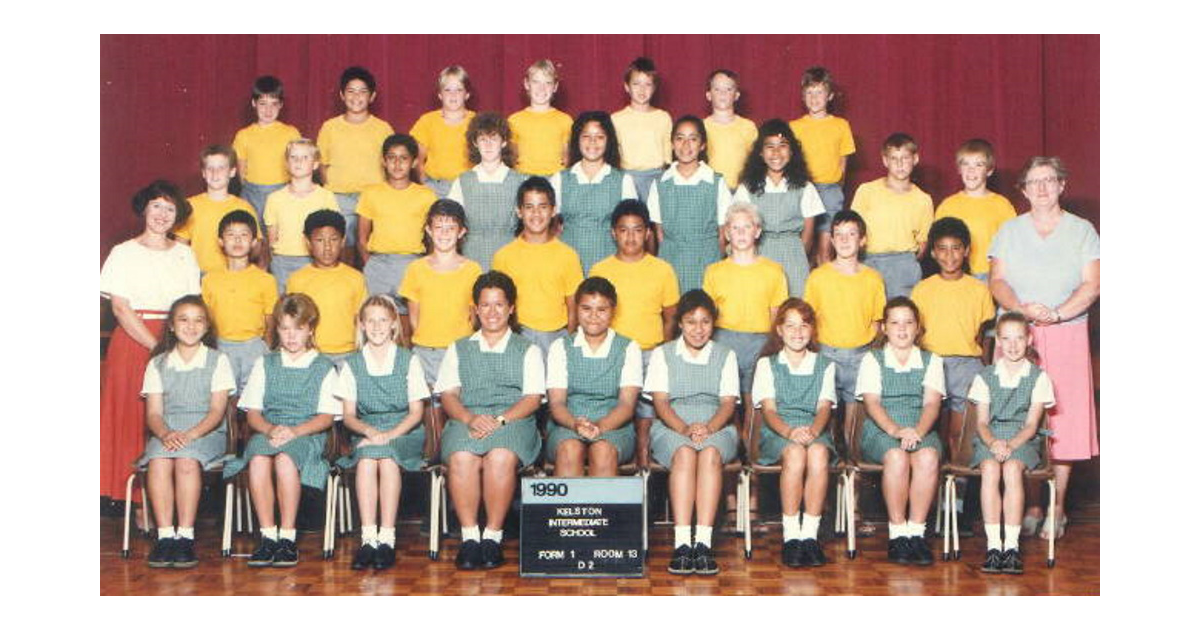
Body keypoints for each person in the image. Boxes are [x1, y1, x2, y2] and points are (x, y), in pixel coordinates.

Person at [988, 156, 1099, 541]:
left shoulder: (1083, 230)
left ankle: (1056, 506)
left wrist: (1057, 313)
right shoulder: (1008, 230)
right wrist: (1020, 311)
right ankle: (1030, 503)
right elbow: (997, 281)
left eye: (1049, 180)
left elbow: (1092, 285)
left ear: (1062, 185)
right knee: (1017, 415)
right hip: (1018, 334)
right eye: (1033, 182)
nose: (1041, 188)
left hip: (1066, 330)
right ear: (1022, 190)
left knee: (1063, 421)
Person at [435, 271, 545, 571]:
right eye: (485, 305)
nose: (492, 312)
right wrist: (470, 418)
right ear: (475, 308)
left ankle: (492, 537)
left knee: (499, 457)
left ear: (511, 308)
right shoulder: (459, 348)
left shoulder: (528, 349)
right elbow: (448, 395)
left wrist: (499, 420)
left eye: (499, 305)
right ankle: (470, 538)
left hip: (512, 421)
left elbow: (532, 398)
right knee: (461, 458)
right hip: (467, 418)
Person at [101, 180, 200, 511]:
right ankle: (137, 503)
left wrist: (174, 343)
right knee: (133, 416)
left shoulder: (185, 254)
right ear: (144, 209)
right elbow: (120, 307)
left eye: (170, 208)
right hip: (133, 339)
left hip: (177, 337)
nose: (162, 214)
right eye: (156, 206)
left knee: (167, 416)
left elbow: (190, 305)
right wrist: (155, 344)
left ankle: (164, 504)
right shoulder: (123, 253)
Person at [223, 293, 339, 568]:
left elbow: (326, 417)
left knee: (286, 461)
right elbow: (252, 413)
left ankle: (287, 537)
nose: (291, 336)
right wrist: (271, 429)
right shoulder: (266, 363)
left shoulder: (323, 366)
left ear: (310, 328)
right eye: (285, 328)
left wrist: (295, 432)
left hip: (306, 433)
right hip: (269, 430)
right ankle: (268, 536)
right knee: (259, 460)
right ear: (276, 329)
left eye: (298, 328)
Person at [644, 290, 740, 576]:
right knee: (684, 454)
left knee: (710, 454)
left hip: (716, 423)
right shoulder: (663, 354)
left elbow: (727, 403)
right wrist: (685, 428)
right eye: (691, 322)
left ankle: (704, 545)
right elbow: (661, 403)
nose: (698, 329)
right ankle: (683, 544)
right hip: (673, 423)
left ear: (713, 324)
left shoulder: (726, 355)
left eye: (705, 322)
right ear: (680, 324)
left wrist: (709, 427)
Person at [139, 295, 235, 569]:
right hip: (167, 431)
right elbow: (154, 414)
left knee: (185, 461)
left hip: (206, 432)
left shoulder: (218, 361)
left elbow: (217, 411)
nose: (190, 327)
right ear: (171, 325)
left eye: (198, 320)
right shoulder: (157, 363)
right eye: (183, 319)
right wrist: (167, 434)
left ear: (207, 327)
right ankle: (166, 535)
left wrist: (190, 435)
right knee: (158, 462)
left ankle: (185, 536)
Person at [334, 296, 430, 571]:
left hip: (404, 430)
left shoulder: (408, 360)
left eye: (383, 320)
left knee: (386, 458)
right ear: (362, 325)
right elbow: (349, 416)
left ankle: (386, 539)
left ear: (393, 326)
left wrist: (389, 435)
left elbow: (415, 412)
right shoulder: (352, 364)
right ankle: (368, 540)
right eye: (371, 320)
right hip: (368, 429)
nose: (377, 326)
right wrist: (370, 431)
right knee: (366, 459)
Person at [855, 297, 946, 565]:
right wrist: (896, 430)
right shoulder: (873, 359)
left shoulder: (932, 361)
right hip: (882, 429)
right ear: (884, 327)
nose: (902, 329)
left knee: (927, 457)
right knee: (896, 457)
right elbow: (872, 403)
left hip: (921, 427)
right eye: (895, 323)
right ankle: (897, 535)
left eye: (908, 322)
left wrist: (916, 431)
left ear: (918, 327)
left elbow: (931, 404)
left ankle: (916, 534)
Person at [751, 298, 838, 568]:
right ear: (779, 330)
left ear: (812, 330)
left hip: (814, 429)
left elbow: (824, 407)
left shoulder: (825, 365)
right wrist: (790, 432)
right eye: (790, 326)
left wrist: (813, 431)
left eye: (803, 325)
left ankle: (809, 536)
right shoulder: (768, 364)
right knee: (796, 456)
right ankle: (791, 537)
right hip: (779, 431)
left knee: (819, 454)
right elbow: (769, 411)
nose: (797, 332)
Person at [969, 312, 1055, 575]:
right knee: (991, 469)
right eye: (1006, 339)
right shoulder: (985, 376)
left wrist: (1011, 444)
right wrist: (995, 443)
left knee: (1012, 469)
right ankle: (995, 546)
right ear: (998, 341)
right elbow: (982, 422)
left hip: (1023, 439)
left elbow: (1031, 425)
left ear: (1029, 339)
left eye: (1019, 338)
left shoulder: (1039, 377)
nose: (1013, 345)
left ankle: (1012, 548)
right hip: (991, 437)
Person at [590, 199, 680, 431]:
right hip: (613, 354)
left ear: (648, 233)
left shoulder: (663, 270)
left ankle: (645, 462)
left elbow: (670, 317)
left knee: (649, 412)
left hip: (650, 352)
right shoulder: (600, 270)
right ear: (613, 233)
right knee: (614, 411)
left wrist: (663, 353)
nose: (631, 238)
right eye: (623, 230)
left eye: (638, 230)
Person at [911, 217, 993, 470]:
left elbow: (986, 335)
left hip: (966, 365)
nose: (950, 255)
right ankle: (930, 491)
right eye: (943, 249)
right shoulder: (922, 289)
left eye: (956, 248)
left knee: (960, 433)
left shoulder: (979, 290)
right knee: (926, 431)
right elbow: (915, 333)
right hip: (931, 362)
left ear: (967, 251)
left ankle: (955, 493)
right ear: (933, 253)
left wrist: (986, 370)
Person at [702, 202, 788, 430]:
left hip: (759, 342)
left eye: (747, 227)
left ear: (757, 231)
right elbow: (707, 317)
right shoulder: (714, 271)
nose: (740, 233)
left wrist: (773, 346)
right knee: (726, 398)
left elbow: (776, 314)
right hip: (723, 340)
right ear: (727, 233)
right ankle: (731, 449)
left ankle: (750, 451)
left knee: (754, 398)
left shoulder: (774, 270)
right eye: (735, 228)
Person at [545, 277, 642, 476]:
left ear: (613, 311)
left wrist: (600, 427)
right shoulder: (561, 347)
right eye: (586, 308)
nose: (593, 317)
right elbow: (557, 403)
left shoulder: (628, 348)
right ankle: (568, 509)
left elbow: (626, 405)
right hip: (568, 423)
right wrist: (575, 424)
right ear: (577, 308)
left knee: (603, 451)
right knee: (570, 450)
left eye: (602, 310)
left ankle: (602, 508)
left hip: (614, 425)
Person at [492, 176, 585, 360]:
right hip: (518, 336)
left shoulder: (568, 255)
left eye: (543, 207)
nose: (536, 214)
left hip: (556, 337)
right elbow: (499, 304)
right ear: (519, 211)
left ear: (553, 211)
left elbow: (573, 306)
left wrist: (568, 339)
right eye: (529, 207)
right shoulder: (504, 256)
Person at [802, 210, 886, 409]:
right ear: (831, 240)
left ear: (863, 240)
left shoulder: (873, 278)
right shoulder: (818, 277)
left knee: (855, 411)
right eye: (838, 234)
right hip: (826, 353)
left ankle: (851, 440)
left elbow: (877, 320)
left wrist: (867, 350)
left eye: (851, 234)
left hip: (860, 355)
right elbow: (808, 318)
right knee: (823, 408)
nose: (844, 239)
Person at [734, 119, 826, 297]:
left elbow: (808, 234)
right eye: (770, 146)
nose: (776, 152)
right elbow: (739, 228)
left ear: (791, 151)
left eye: (782, 145)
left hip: (793, 256)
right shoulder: (748, 188)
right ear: (760, 153)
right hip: (759, 254)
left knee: (793, 309)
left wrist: (797, 256)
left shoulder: (804, 187)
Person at [399, 199, 483, 392]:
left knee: (457, 406)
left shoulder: (473, 269)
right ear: (429, 230)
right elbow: (413, 317)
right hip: (425, 352)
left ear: (461, 232)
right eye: (438, 227)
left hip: (460, 351)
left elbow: (474, 315)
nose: (444, 234)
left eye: (451, 228)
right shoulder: (415, 269)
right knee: (429, 409)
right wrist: (425, 343)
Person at [356, 133, 438, 326]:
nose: (397, 164)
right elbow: (361, 237)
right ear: (384, 161)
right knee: (377, 319)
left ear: (414, 162)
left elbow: (433, 238)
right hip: (379, 265)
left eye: (404, 158)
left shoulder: (426, 195)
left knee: (411, 320)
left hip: (411, 263)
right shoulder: (371, 193)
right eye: (391, 158)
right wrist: (371, 264)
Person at [317, 66, 395, 263]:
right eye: (351, 91)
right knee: (342, 249)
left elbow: (392, 165)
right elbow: (322, 165)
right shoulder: (330, 127)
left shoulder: (383, 128)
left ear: (372, 96)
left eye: (362, 92)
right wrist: (334, 190)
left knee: (373, 248)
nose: (356, 97)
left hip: (373, 196)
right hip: (340, 198)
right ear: (342, 95)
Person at [648, 115, 733, 294]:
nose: (686, 145)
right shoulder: (661, 183)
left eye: (693, 139)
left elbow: (723, 233)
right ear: (671, 143)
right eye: (680, 138)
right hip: (671, 260)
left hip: (707, 260)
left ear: (702, 145)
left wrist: (711, 259)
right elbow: (659, 233)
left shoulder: (716, 182)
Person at [201, 210, 278, 394]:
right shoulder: (209, 280)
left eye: (244, 235)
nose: (237, 240)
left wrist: (264, 348)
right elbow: (207, 320)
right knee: (224, 398)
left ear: (253, 242)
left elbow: (270, 321)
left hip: (254, 346)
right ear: (220, 241)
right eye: (231, 235)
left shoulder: (265, 280)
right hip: (222, 346)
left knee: (255, 399)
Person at [551, 111, 638, 273]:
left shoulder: (623, 181)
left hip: (610, 263)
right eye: (586, 136)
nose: (592, 142)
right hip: (568, 265)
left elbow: (630, 229)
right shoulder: (560, 179)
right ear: (577, 140)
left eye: (599, 137)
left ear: (608, 141)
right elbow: (551, 227)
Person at [850, 132, 934, 299]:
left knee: (900, 315)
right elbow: (853, 228)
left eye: (905, 158)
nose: (900, 164)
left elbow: (924, 242)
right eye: (894, 159)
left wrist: (906, 261)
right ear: (885, 161)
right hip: (869, 260)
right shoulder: (867, 191)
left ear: (915, 159)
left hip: (903, 264)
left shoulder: (923, 199)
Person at [789, 67, 855, 265]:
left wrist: (836, 187)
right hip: (802, 188)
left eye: (819, 92)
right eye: (809, 92)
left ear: (830, 96)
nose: (814, 97)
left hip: (829, 190)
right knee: (803, 248)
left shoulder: (841, 125)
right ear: (803, 96)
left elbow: (843, 163)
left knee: (825, 251)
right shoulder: (794, 127)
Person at [285, 210, 369, 365]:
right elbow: (293, 323)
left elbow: (361, 320)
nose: (328, 247)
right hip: (311, 355)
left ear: (343, 241)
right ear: (308, 243)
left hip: (348, 355)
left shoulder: (356, 278)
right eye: (319, 240)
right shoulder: (297, 279)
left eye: (334, 239)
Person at [447, 112, 525, 270]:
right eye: (483, 139)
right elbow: (451, 223)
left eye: (494, 139)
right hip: (471, 255)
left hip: (509, 254)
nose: (488, 145)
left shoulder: (519, 181)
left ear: (503, 142)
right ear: (475, 143)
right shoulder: (462, 181)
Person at [933, 139, 1017, 281]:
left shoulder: (1002, 205)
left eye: (979, 165)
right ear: (959, 169)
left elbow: (1012, 245)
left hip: (992, 275)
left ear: (989, 170)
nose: (971, 170)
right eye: (966, 164)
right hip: (957, 276)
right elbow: (938, 246)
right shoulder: (947, 206)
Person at [263, 138, 339, 293]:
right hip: (283, 262)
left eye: (305, 157)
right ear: (286, 163)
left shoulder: (326, 197)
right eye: (293, 157)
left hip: (314, 261)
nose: (299, 162)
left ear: (315, 164)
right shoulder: (274, 198)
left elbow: (334, 234)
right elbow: (272, 239)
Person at [174, 145, 261, 274]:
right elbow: (180, 245)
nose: (215, 173)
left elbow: (256, 246)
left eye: (221, 168)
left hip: (232, 274)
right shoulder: (190, 205)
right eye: (210, 168)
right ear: (203, 172)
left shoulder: (244, 206)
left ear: (232, 172)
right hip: (198, 274)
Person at [233, 76, 302, 226]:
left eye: (274, 104)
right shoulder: (243, 135)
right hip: (252, 193)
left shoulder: (291, 133)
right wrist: (251, 191)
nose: (268, 110)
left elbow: (299, 165)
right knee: (253, 235)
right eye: (263, 104)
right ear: (254, 103)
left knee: (279, 234)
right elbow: (242, 171)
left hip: (282, 190)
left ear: (281, 105)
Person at [612, 57, 673, 201]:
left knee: (655, 221)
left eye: (648, 84)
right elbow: (614, 154)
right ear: (627, 87)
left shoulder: (663, 117)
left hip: (656, 176)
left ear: (654, 88)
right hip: (627, 177)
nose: (642, 89)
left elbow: (668, 156)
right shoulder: (616, 119)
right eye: (636, 84)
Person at [411, 65, 476, 198]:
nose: (453, 95)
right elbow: (418, 157)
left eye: (459, 89)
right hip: (435, 186)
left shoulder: (476, 121)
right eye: (448, 90)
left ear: (467, 94)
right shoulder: (427, 121)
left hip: (468, 186)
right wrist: (425, 182)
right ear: (440, 95)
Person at [508, 59, 573, 176]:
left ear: (555, 87)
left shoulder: (566, 120)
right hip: (524, 179)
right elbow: (511, 158)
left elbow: (567, 158)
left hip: (555, 179)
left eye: (548, 83)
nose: (541, 88)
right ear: (527, 84)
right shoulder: (514, 120)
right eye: (536, 82)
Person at [702, 69, 757, 191]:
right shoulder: (701, 127)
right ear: (709, 95)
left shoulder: (748, 127)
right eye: (717, 89)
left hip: (740, 189)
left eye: (728, 89)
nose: (723, 94)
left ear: (736, 95)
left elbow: (755, 160)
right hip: (710, 189)